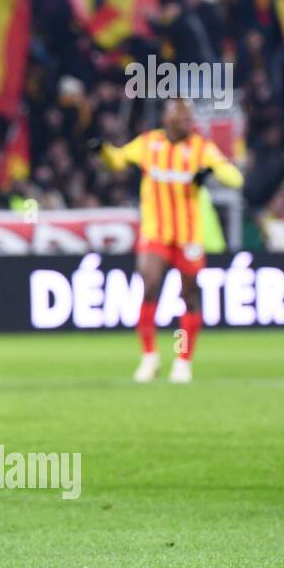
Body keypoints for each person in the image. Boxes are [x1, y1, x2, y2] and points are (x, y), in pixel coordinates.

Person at [94, 97, 243, 383]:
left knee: (189, 296)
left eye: (189, 118)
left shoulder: (201, 148)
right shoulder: (149, 143)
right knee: (149, 285)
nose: (188, 122)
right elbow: (117, 160)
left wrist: (212, 172)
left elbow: (235, 178)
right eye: (183, 116)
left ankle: (183, 360)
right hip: (156, 232)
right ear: (168, 118)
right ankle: (149, 357)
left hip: (188, 235)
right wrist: (102, 150)